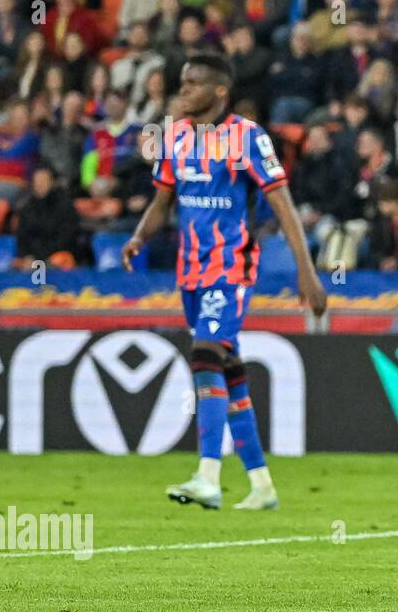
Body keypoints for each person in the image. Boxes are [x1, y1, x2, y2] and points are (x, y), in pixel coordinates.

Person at [121, 53, 328, 511]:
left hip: (231, 266)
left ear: (219, 92)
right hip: (190, 269)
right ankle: (262, 485)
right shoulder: (173, 136)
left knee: (204, 355)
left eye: (193, 83)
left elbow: (282, 204)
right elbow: (162, 200)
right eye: (181, 82)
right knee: (230, 371)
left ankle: (208, 475)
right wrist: (139, 236)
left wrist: (306, 268)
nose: (183, 90)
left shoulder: (247, 138)